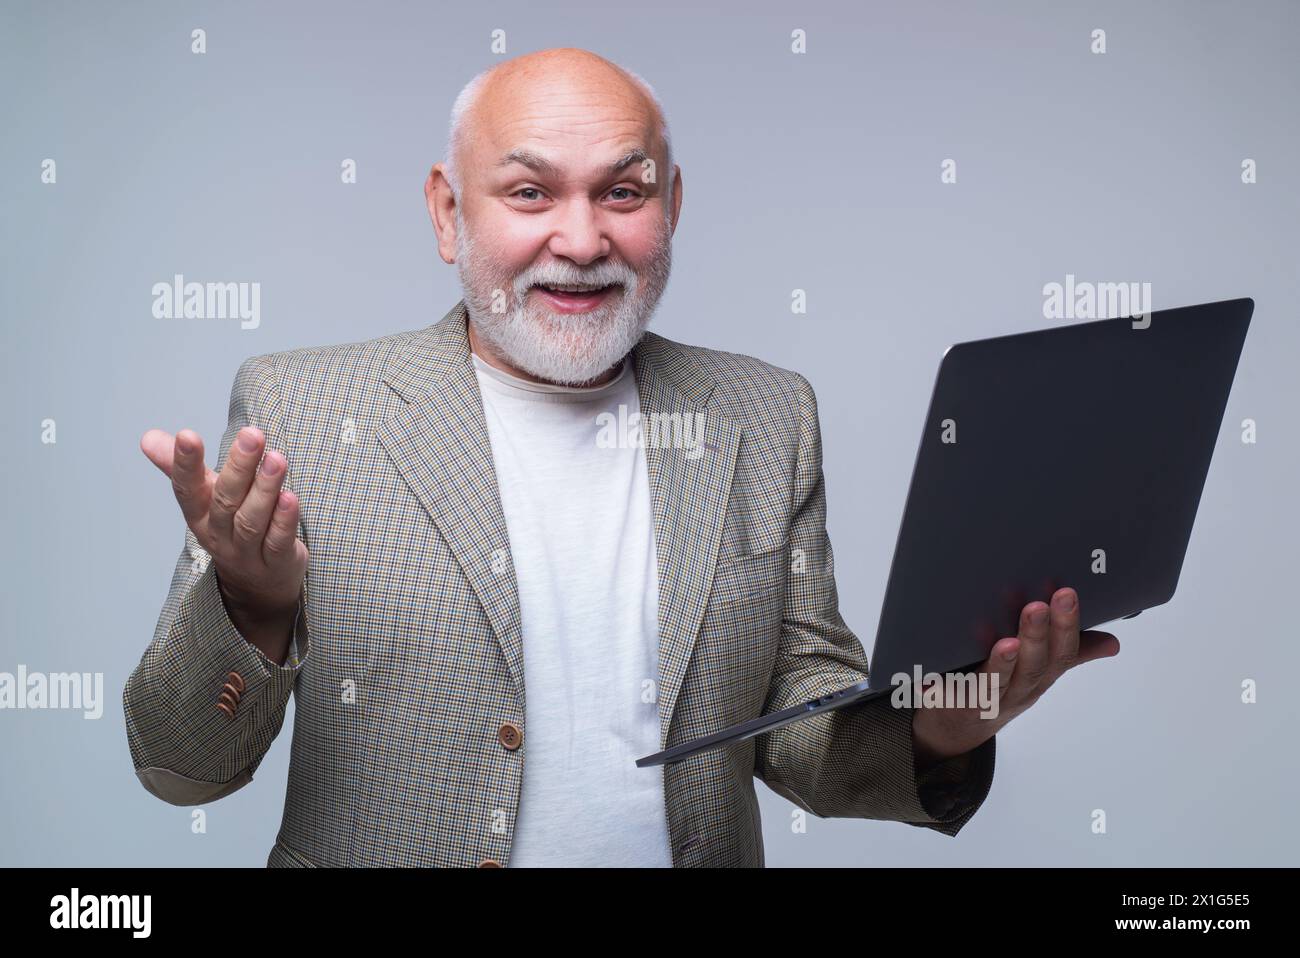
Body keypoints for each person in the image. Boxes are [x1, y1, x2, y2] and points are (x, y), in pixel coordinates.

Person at [124, 47, 1119, 867]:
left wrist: (946, 719)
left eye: (622, 191)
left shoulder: (768, 415)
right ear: (446, 212)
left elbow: (795, 721)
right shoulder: (301, 408)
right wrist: (252, 610)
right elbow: (180, 767)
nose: (582, 236)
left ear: (671, 206)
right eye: (528, 191)